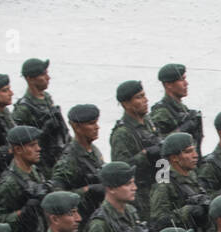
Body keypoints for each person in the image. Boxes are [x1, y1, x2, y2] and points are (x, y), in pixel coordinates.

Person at [109, 80, 162, 220]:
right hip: (141, 196)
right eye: (139, 97)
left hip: (157, 187)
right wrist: (146, 155)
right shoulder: (122, 133)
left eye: (144, 95)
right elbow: (120, 170)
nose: (146, 100)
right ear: (126, 104)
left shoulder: (148, 122)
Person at [49, 104, 106, 219]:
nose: (97, 127)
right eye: (91, 124)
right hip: (80, 219)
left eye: (96, 122)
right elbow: (57, 197)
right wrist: (87, 191)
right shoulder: (69, 159)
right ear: (77, 127)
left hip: (95, 212)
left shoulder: (94, 150)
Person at [12, 58, 67, 174]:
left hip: (55, 155)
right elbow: (16, 141)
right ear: (30, 79)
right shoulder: (23, 108)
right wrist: (43, 132)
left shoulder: (46, 98)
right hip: (40, 163)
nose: (48, 78)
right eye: (43, 74)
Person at [149, 63, 203, 157]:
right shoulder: (162, 112)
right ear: (168, 85)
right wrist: (183, 129)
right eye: (181, 80)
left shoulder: (182, 109)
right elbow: (156, 144)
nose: (186, 83)